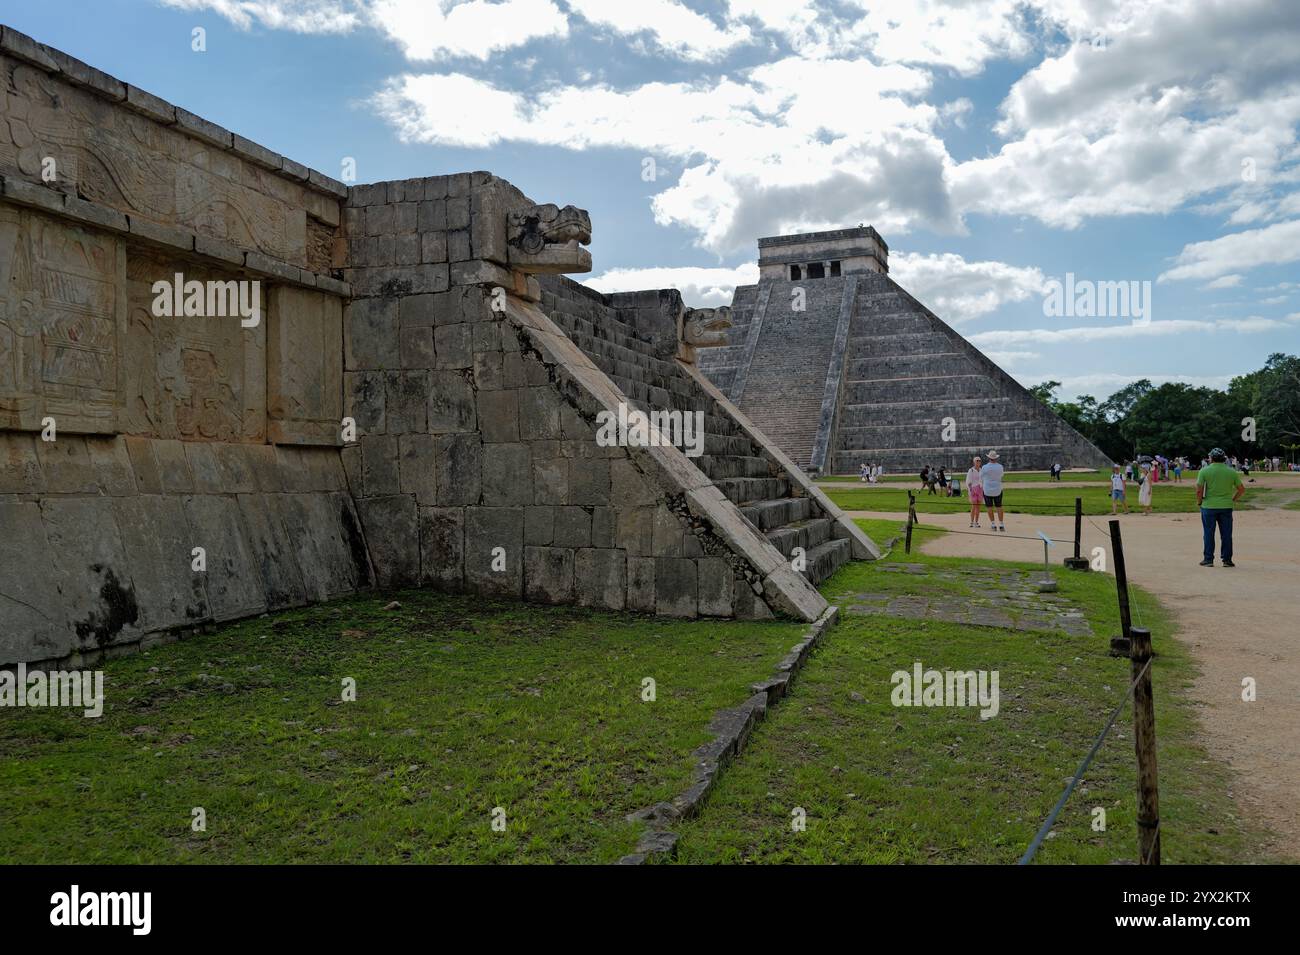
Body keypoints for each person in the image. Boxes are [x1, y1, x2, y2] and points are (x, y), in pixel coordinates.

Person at [1197, 447, 1245, 567]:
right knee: (1226, 534)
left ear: (1211, 458)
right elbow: (1241, 489)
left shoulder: (1204, 471)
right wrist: (1233, 499)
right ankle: (1227, 560)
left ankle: (1208, 559)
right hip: (1226, 506)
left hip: (1208, 506)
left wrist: (1199, 502)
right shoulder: (1231, 471)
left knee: (1208, 533)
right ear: (1223, 458)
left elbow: (1199, 490)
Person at [982, 450, 1006, 531]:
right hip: (997, 489)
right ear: (996, 458)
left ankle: (993, 524)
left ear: (989, 458)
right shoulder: (1000, 466)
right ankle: (1001, 524)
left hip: (987, 489)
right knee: (999, 506)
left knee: (989, 507)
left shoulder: (985, 467)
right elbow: (1001, 475)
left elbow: (981, 476)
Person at [966, 455, 983, 527]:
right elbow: (968, 481)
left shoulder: (981, 470)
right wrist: (970, 490)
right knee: (973, 506)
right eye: (977, 461)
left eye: (979, 461)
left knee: (978, 506)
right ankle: (972, 522)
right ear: (974, 462)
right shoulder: (971, 470)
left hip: (980, 489)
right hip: (973, 489)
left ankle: (976, 522)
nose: (978, 462)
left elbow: (983, 480)